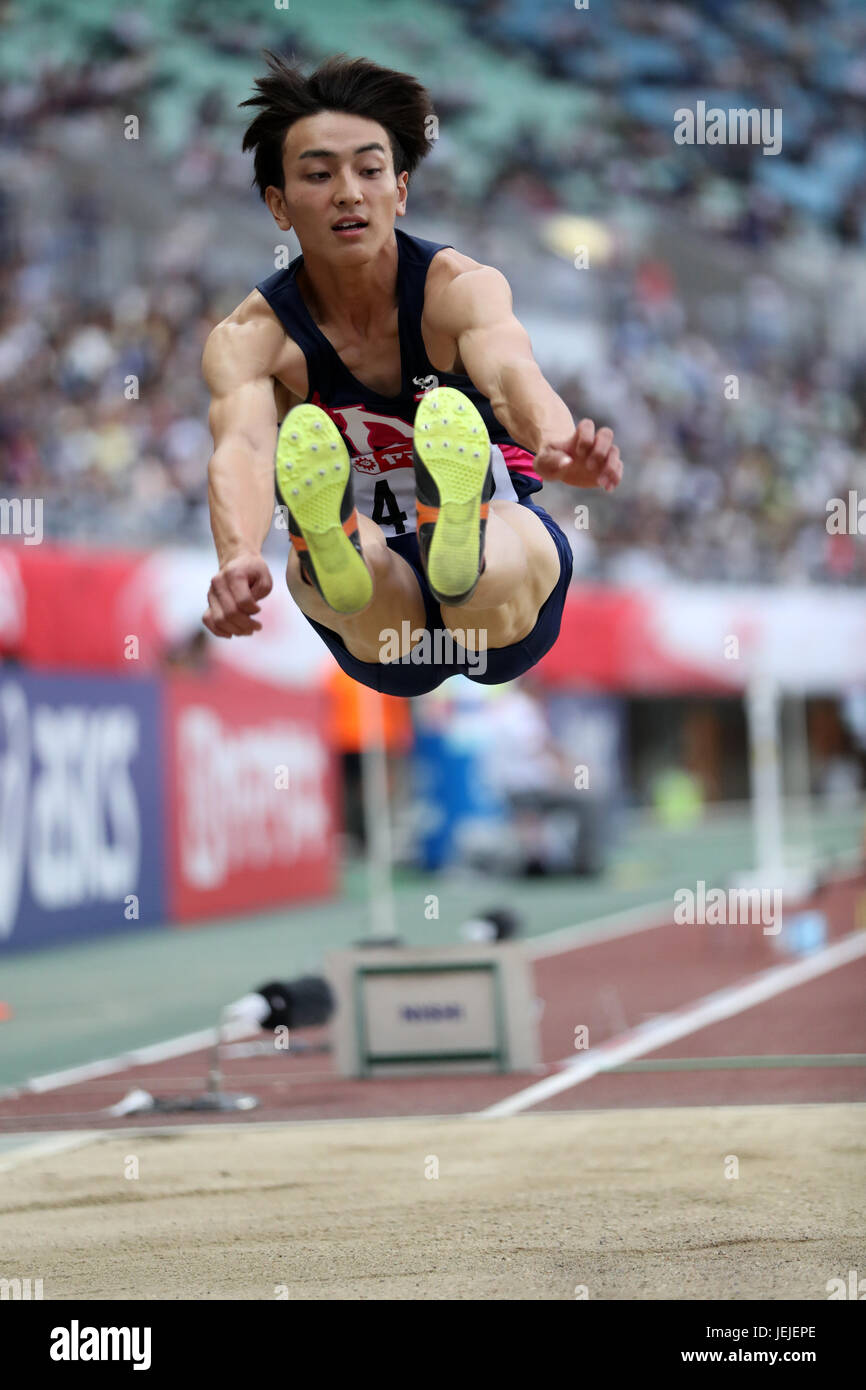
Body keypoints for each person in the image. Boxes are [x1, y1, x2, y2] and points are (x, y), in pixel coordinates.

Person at [202, 52, 623, 696]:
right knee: (353, 570)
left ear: (399, 190)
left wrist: (557, 444)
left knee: (483, 567)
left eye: (369, 170)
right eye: (319, 175)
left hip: (485, 553)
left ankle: (454, 537)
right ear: (279, 206)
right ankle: (348, 540)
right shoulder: (252, 338)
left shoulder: (459, 290)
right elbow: (244, 447)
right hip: (405, 608)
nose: (348, 191)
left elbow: (514, 379)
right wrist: (237, 554)